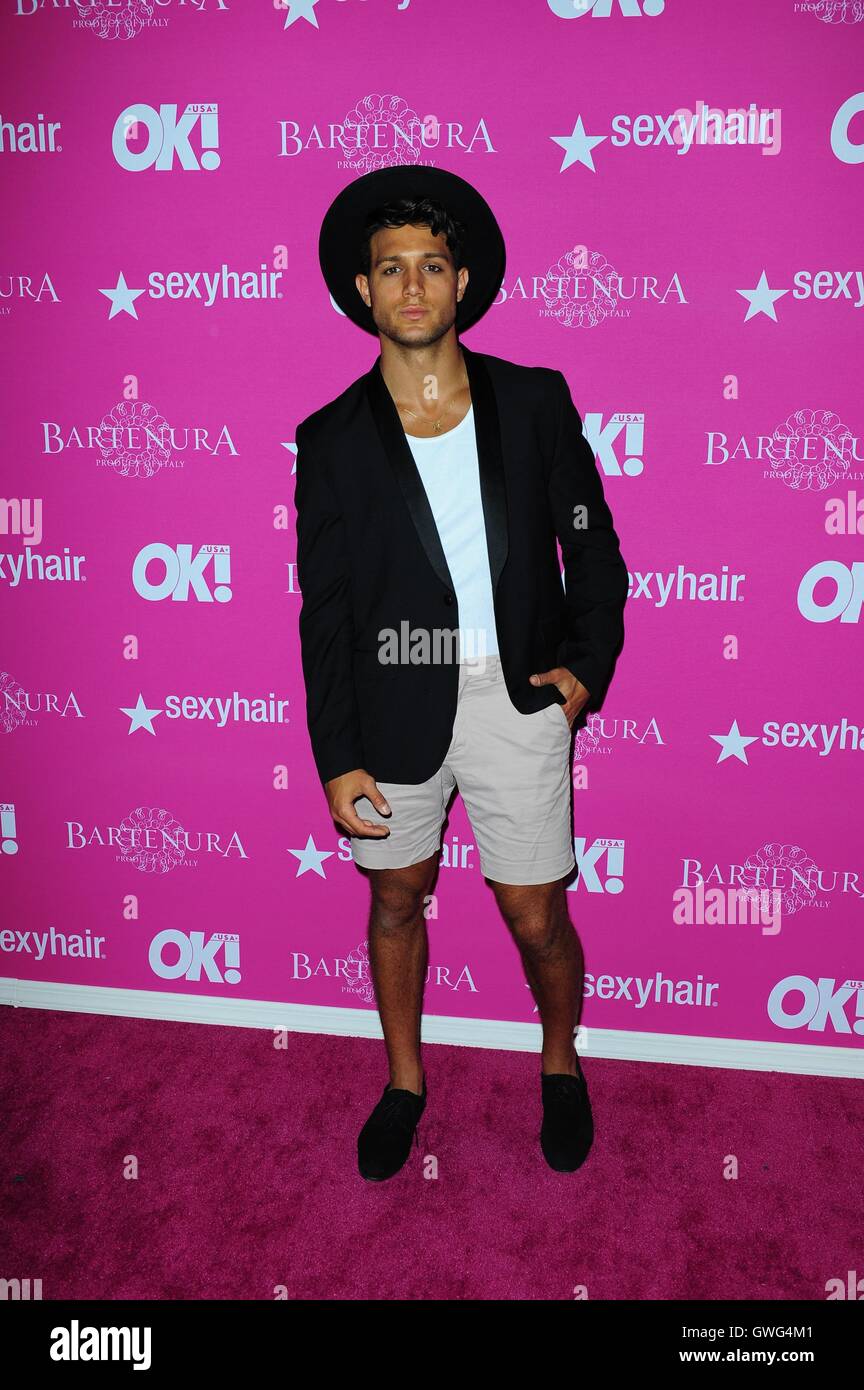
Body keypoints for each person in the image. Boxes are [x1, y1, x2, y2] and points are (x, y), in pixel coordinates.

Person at [294, 166, 627, 1182]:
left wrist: (584, 665)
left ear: (461, 281)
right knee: (396, 896)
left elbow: (594, 544)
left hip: (517, 697)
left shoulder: (531, 401)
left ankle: (560, 1059)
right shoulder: (332, 438)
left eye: (430, 266)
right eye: (390, 268)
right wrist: (338, 756)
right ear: (364, 290)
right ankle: (403, 1081)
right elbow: (330, 614)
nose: (411, 287)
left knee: (536, 914)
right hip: (394, 703)